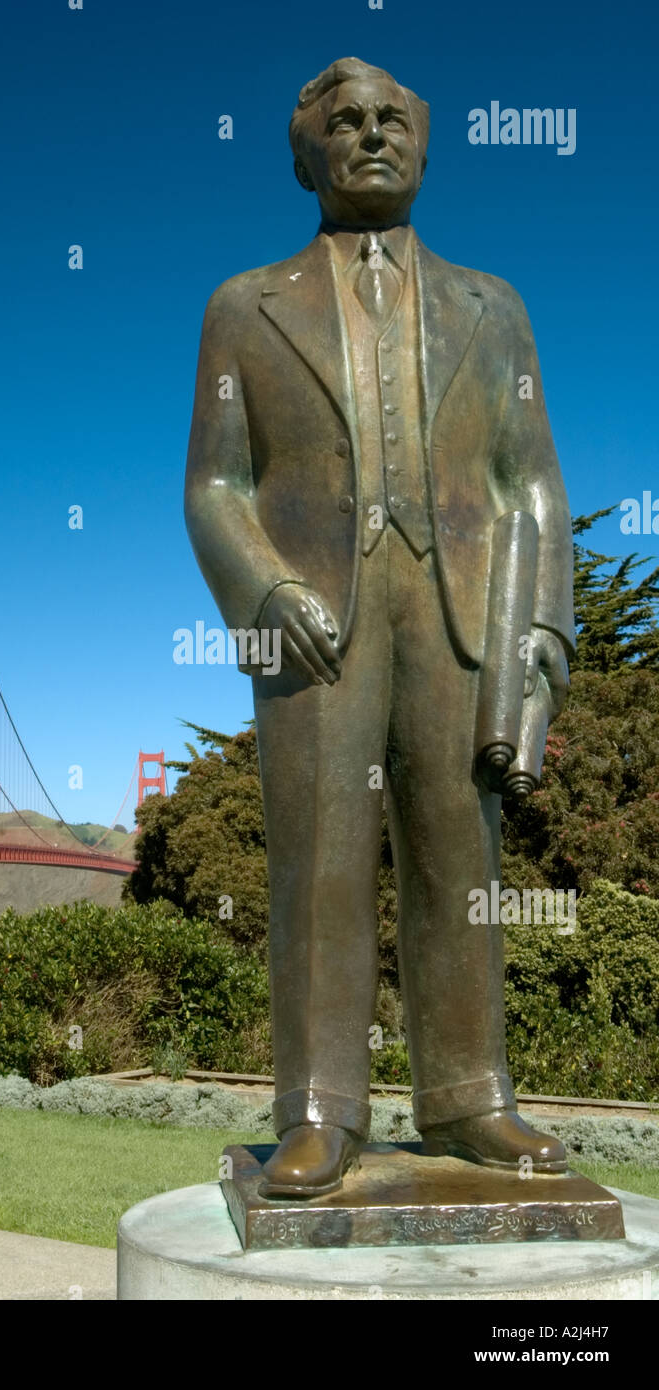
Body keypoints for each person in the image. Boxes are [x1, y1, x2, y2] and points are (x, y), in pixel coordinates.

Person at [185, 58, 574, 1198]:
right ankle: (317, 1108)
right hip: (314, 626)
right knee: (321, 867)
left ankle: (469, 1100)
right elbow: (214, 488)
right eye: (344, 124)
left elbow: (534, 484)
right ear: (304, 156)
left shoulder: (494, 308)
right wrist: (263, 593)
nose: (370, 137)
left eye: (393, 121)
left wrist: (539, 636)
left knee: (463, 863)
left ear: (425, 145)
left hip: (460, 619)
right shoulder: (242, 307)